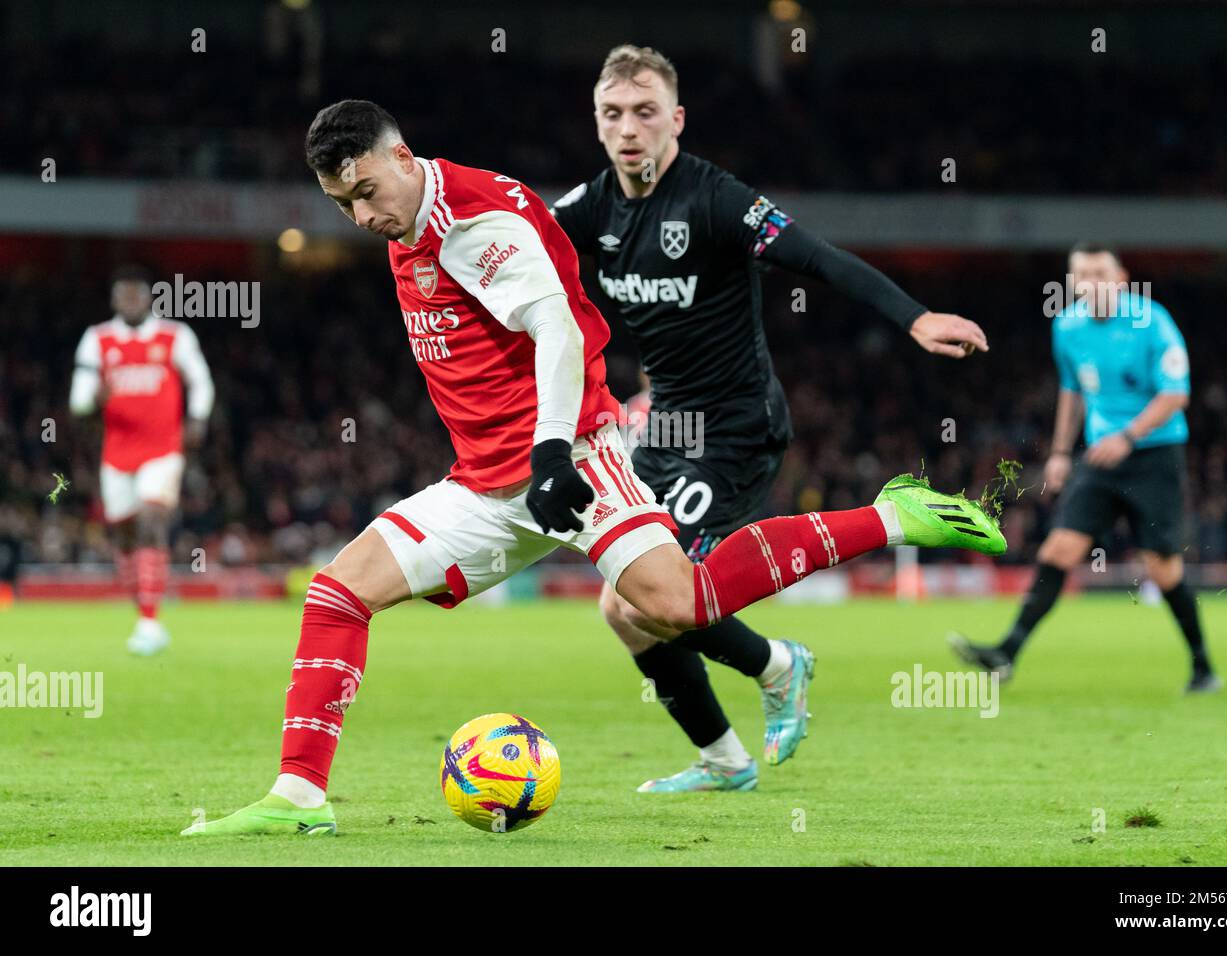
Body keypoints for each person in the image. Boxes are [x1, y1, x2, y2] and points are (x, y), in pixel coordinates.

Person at [185, 99, 1004, 837]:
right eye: (342, 204)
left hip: (572, 459)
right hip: (484, 484)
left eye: (366, 192)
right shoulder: (422, 220)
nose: (361, 215)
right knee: (338, 591)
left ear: (404, 158)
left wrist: (550, 453)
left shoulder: (475, 224)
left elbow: (560, 333)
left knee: (674, 603)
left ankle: (895, 515)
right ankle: (299, 795)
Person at [552, 45, 993, 792]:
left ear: (676, 121)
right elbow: (510, 258)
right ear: (597, 124)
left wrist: (913, 318)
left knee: (658, 594)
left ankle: (781, 667)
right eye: (613, 114)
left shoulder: (717, 199)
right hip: (663, 424)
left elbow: (818, 258)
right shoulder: (586, 210)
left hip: (734, 425)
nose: (629, 129)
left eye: (645, 112)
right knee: (623, 608)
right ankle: (727, 757)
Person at [949, 244, 1217, 693]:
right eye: (1081, 275)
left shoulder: (1153, 322)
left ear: (1121, 279)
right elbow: (1071, 391)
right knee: (1058, 551)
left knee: (1163, 568)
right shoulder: (1067, 327)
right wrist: (1058, 452)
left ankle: (1203, 666)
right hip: (1098, 458)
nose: (1090, 282)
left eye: (1099, 273)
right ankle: (1006, 654)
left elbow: (1175, 395)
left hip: (1154, 455)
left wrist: (1126, 437)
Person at [70, 264, 213, 655]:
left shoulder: (174, 336)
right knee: (124, 535)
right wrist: (90, 401)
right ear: (115, 300)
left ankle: (149, 622)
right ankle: (144, 608)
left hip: (163, 449)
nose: (130, 301)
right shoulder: (97, 339)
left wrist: (197, 418)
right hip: (116, 453)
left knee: (153, 521)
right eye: (123, 295)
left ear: (149, 297)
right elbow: (78, 400)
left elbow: (200, 379)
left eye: (136, 294)